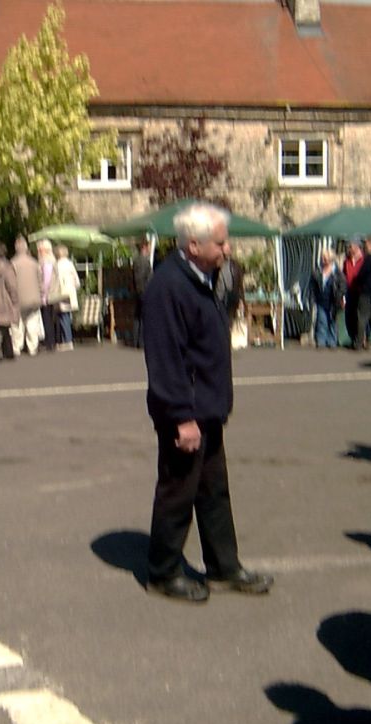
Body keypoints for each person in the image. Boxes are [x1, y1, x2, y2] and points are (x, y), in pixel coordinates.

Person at [141, 201, 274, 603]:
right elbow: (166, 359)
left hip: (208, 408)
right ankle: (163, 572)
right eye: (220, 242)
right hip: (186, 412)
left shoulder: (204, 278)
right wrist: (182, 418)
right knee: (178, 490)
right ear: (193, 244)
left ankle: (223, 565)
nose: (227, 248)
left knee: (214, 490)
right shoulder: (169, 285)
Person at [9, 236, 42, 357]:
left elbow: (10, 283)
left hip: (17, 299)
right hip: (34, 298)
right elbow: (40, 281)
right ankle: (32, 346)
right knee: (32, 322)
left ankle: (17, 346)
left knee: (17, 324)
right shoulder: (35, 263)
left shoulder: (12, 263)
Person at [306, 248, 346, 349]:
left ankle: (332, 342)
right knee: (321, 321)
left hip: (333, 301)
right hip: (321, 300)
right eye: (322, 258)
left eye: (325, 258)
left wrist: (340, 297)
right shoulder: (317, 271)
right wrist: (311, 298)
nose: (323, 260)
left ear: (331, 259)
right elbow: (312, 286)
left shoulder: (338, 273)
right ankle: (321, 341)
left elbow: (343, 286)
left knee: (332, 321)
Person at [54, 244, 80, 351]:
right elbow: (77, 281)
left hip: (61, 293)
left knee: (63, 317)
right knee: (66, 316)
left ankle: (67, 341)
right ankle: (66, 340)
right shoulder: (70, 264)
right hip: (70, 293)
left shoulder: (57, 265)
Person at [37, 239, 60, 352]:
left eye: (39, 249)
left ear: (45, 250)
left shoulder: (46, 261)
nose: (38, 251)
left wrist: (43, 294)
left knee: (47, 318)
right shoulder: (52, 260)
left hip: (47, 295)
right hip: (53, 293)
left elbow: (46, 280)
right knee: (50, 318)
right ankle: (52, 341)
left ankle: (50, 342)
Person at [341, 236, 364, 346]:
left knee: (360, 317)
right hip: (349, 292)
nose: (348, 248)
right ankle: (353, 337)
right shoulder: (346, 261)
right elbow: (344, 276)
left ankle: (361, 339)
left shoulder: (364, 261)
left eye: (350, 246)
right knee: (349, 317)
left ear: (357, 246)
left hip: (361, 293)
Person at [131, 238, 153, 348]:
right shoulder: (144, 261)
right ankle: (141, 341)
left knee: (137, 317)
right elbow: (142, 278)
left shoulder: (136, 261)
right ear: (144, 247)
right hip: (144, 292)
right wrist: (144, 292)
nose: (149, 249)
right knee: (144, 317)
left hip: (138, 292)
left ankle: (136, 340)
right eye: (148, 246)